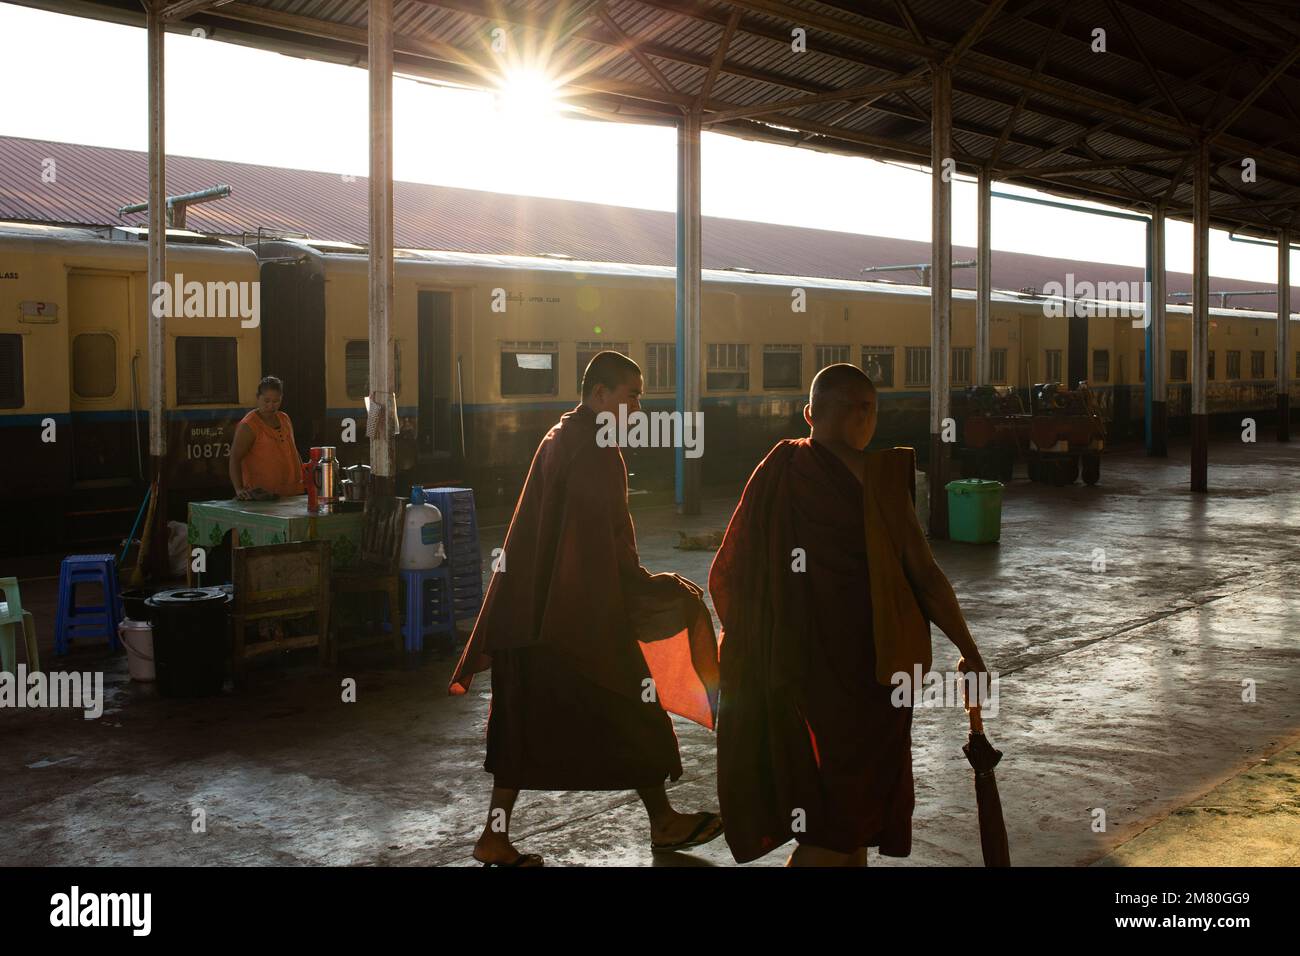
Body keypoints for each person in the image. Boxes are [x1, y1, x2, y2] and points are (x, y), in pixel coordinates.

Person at [709, 363, 989, 866]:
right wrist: (969, 651)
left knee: (845, 817)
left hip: (796, 675)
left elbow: (728, 576)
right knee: (841, 824)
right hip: (873, 672)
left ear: (809, 413)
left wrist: (757, 648)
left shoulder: (780, 468)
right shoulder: (881, 481)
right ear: (871, 418)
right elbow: (925, 576)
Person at [450, 351, 723, 867]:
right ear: (601, 396)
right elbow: (598, 546)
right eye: (632, 395)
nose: (638, 408)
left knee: (522, 727)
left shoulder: (564, 436)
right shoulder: (594, 451)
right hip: (569, 614)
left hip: (531, 610)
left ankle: (499, 835)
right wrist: (645, 588)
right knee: (631, 709)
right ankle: (661, 820)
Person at [229, 375, 305, 500]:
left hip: (292, 493)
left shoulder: (284, 418)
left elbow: (293, 450)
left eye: (276, 401)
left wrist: (303, 475)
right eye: (266, 401)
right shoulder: (248, 426)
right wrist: (239, 489)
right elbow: (234, 458)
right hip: (263, 496)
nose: (271, 406)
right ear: (258, 398)